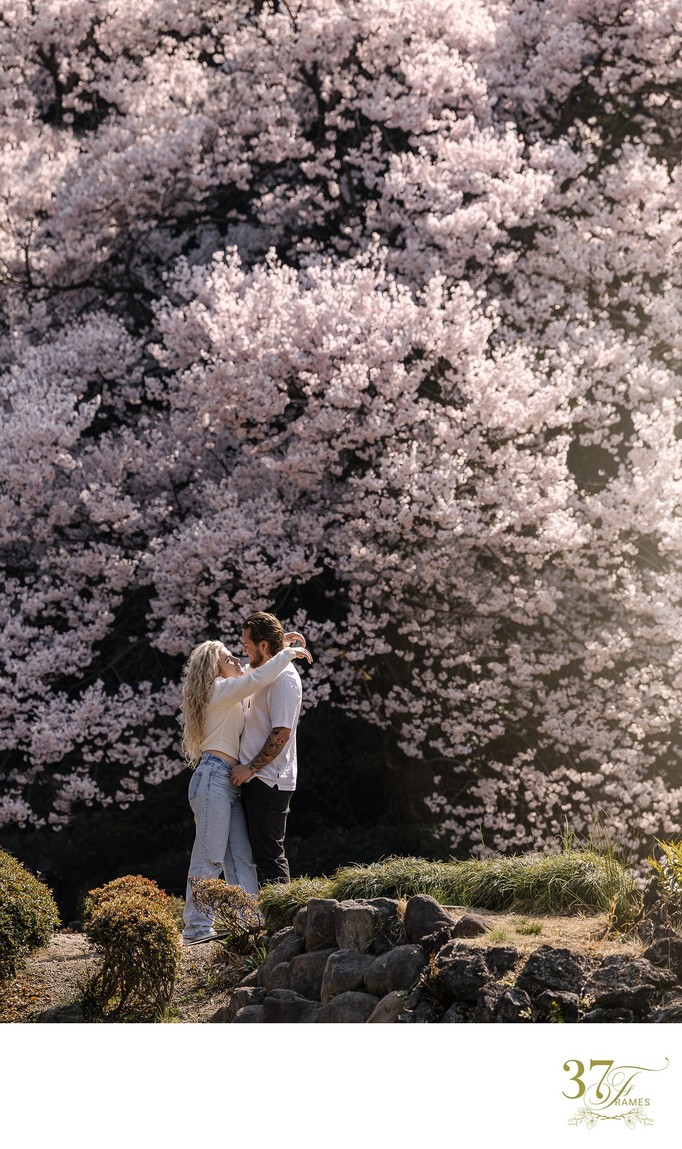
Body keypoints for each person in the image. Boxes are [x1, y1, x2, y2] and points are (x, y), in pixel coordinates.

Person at [180, 635, 312, 943]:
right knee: (209, 856)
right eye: (228, 659)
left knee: (241, 857)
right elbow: (263, 673)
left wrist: (278, 642)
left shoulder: (232, 690)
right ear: (214, 669)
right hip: (213, 777)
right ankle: (196, 928)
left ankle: (249, 923)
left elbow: (259, 667)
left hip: (227, 781)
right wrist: (290, 652)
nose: (237, 660)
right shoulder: (220, 690)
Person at [231, 611, 307, 885]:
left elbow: (281, 734)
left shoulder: (284, 679)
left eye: (248, 644)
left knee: (269, 855)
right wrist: (282, 643)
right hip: (255, 778)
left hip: (268, 779)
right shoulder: (262, 670)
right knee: (257, 855)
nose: (244, 650)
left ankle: (285, 924)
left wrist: (250, 768)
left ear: (263, 646)